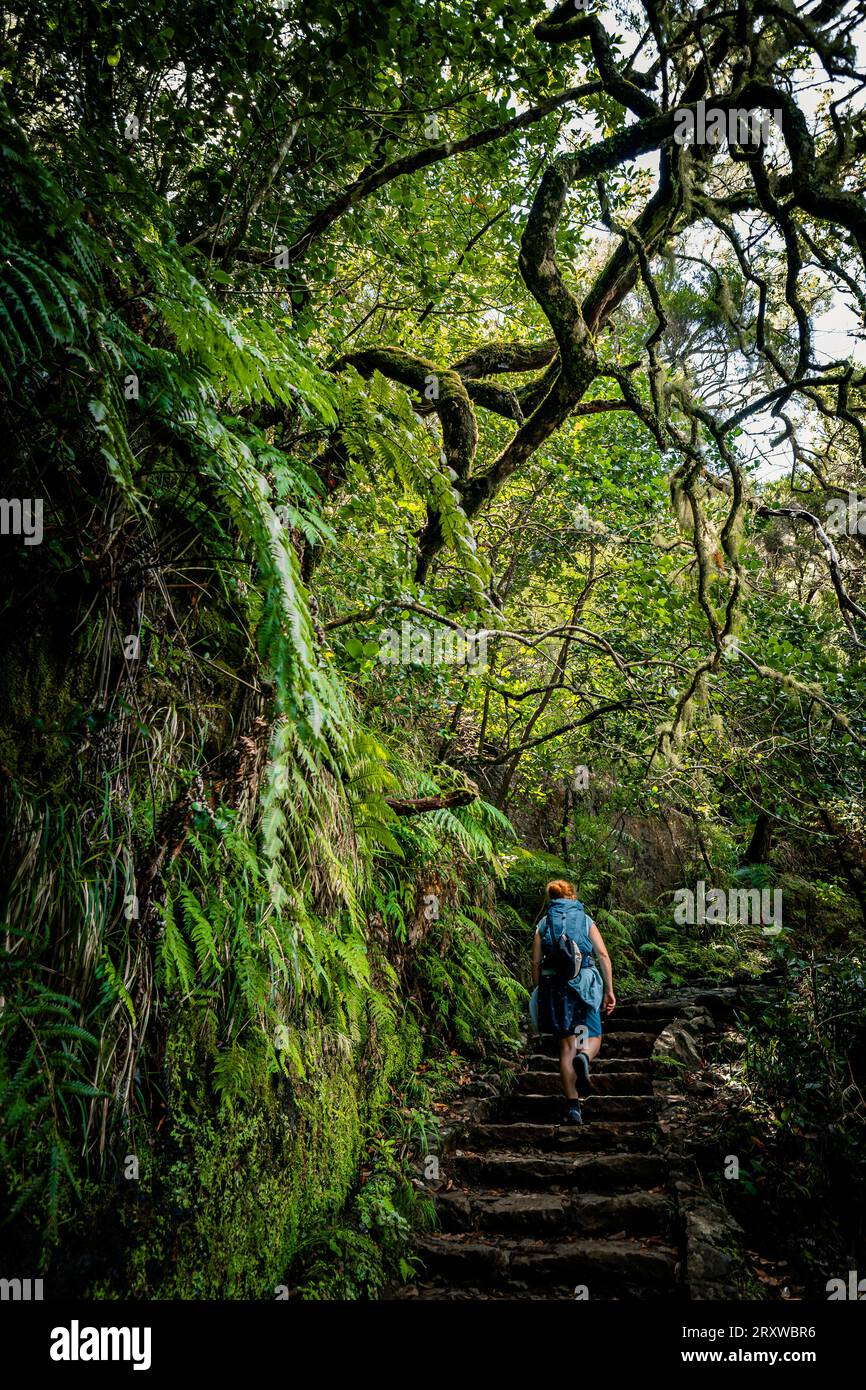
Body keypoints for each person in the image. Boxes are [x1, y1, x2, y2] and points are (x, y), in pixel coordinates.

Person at [531, 879, 616, 1125]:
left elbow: (535, 962)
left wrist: (538, 990)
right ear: (572, 896)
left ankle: (573, 1108)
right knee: (592, 1037)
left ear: (551, 898)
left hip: (556, 990)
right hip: (586, 985)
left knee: (567, 1047)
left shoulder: (545, 923)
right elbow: (602, 954)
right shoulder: (586, 919)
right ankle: (586, 1057)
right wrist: (609, 990)